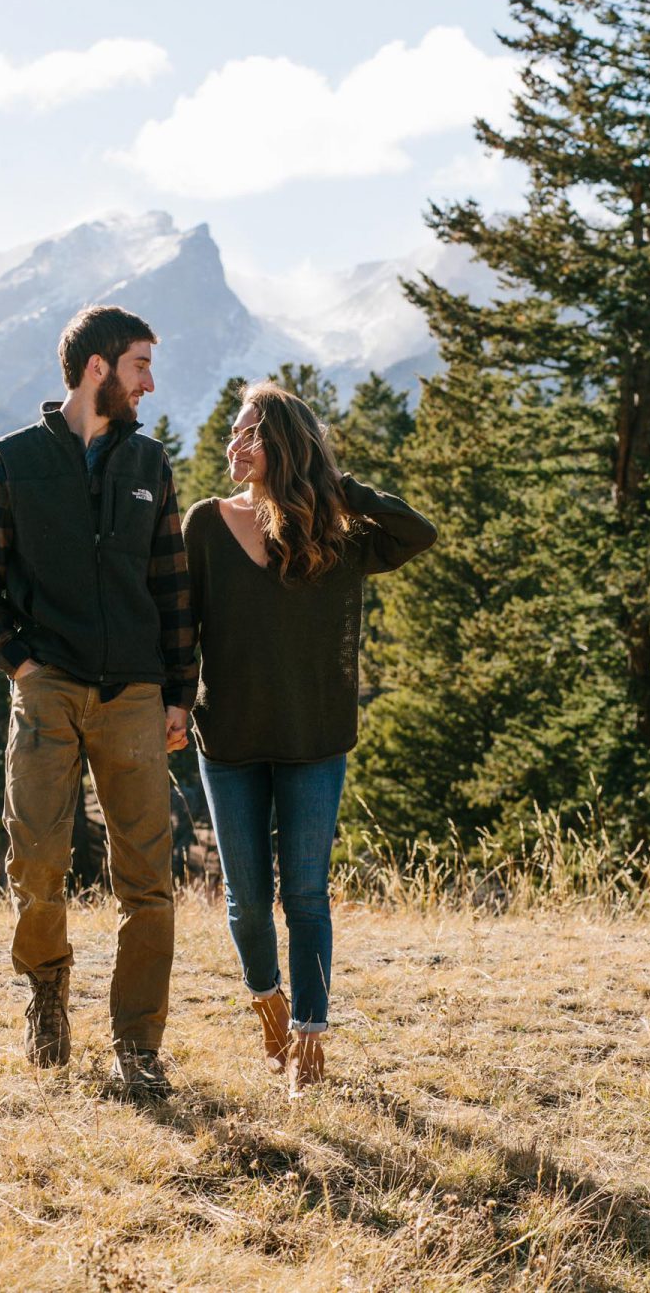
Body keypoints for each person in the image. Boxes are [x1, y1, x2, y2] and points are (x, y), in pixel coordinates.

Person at [0, 305, 196, 1095]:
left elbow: (172, 590)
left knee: (148, 880)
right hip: (48, 686)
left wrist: (178, 696)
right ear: (98, 368)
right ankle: (47, 994)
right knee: (36, 860)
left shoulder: (149, 465)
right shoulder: (13, 460)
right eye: (139, 365)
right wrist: (19, 664)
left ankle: (137, 1045)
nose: (149, 383)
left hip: (134, 693)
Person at [182, 381, 436, 1098]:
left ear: (284, 445)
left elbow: (418, 532)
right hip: (226, 739)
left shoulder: (339, 538)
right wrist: (173, 704)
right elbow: (181, 629)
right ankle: (269, 1003)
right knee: (245, 899)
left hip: (315, 742)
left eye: (249, 433)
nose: (233, 445)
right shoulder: (205, 524)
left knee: (307, 898)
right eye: (231, 432)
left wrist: (332, 484)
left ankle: (310, 1041)